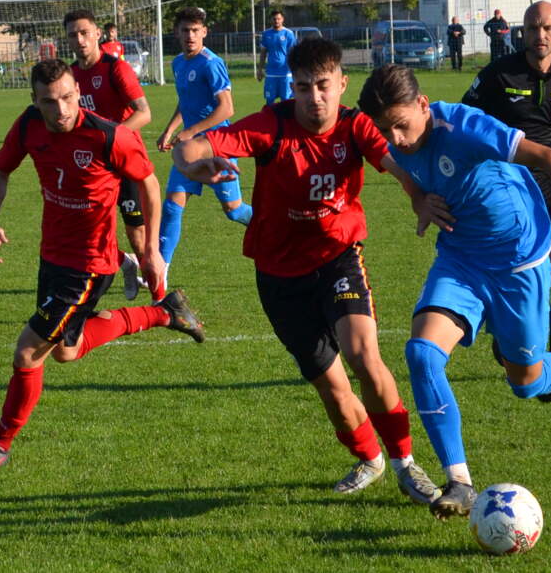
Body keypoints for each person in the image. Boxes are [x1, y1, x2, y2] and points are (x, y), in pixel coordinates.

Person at [171, 38, 439, 503]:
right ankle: (370, 458)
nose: (313, 97)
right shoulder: (272, 125)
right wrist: (196, 167)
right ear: (290, 88)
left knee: (363, 355)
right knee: (334, 391)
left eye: (322, 86)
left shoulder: (356, 126)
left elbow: (393, 162)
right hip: (279, 274)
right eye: (302, 87)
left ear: (341, 84)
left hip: (338, 257)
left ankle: (405, 464)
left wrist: (417, 195)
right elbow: (188, 147)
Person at [356, 64, 551, 519]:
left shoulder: (464, 126)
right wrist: (419, 199)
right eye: (386, 129)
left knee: (525, 383)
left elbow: (550, 159)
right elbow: (403, 170)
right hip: (461, 259)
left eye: (401, 125)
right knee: (421, 353)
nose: (396, 138)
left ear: (423, 105)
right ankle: (458, 481)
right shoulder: (394, 142)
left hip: (519, 260)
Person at [0, 59, 206, 472]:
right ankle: (162, 313)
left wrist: (151, 251)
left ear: (78, 93)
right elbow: (0, 171)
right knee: (67, 352)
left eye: (68, 98)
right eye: (49, 102)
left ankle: (0, 443)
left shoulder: (109, 136)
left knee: (27, 354)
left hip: (90, 264)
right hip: (52, 256)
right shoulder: (27, 126)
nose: (61, 111)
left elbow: (147, 181)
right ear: (34, 101)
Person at [461, 0, 551, 359]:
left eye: (547, 28)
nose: (539, 35)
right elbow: (464, 122)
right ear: (521, 33)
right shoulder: (498, 74)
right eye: (532, 28)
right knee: (513, 271)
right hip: (504, 187)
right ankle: (506, 332)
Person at [155, 7, 253, 284]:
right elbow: (185, 101)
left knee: (234, 211)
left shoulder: (211, 63)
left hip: (216, 146)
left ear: (204, 32)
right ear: (177, 33)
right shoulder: (177, 63)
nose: (190, 36)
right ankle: (161, 270)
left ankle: (272, 227)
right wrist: (170, 130)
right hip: (189, 148)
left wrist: (191, 131)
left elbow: (227, 108)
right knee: (172, 206)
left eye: (195, 30)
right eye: (185, 30)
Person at [64, 9, 155, 300]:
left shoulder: (115, 68)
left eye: (84, 33)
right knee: (85, 235)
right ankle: (125, 264)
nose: (79, 40)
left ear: (97, 34)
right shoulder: (70, 75)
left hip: (125, 162)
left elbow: (144, 113)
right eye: (72, 35)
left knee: (137, 238)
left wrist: (110, 141)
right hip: (91, 166)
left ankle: (158, 296)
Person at [258, 10, 297, 104]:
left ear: (282, 19)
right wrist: (260, 69)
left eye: (278, 19)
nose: (276, 21)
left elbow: (293, 53)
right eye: (274, 19)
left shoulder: (289, 34)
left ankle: (286, 119)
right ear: (271, 20)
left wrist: (296, 71)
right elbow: (263, 53)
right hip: (271, 73)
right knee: (269, 101)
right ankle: (270, 119)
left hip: (286, 73)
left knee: (286, 102)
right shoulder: (266, 34)